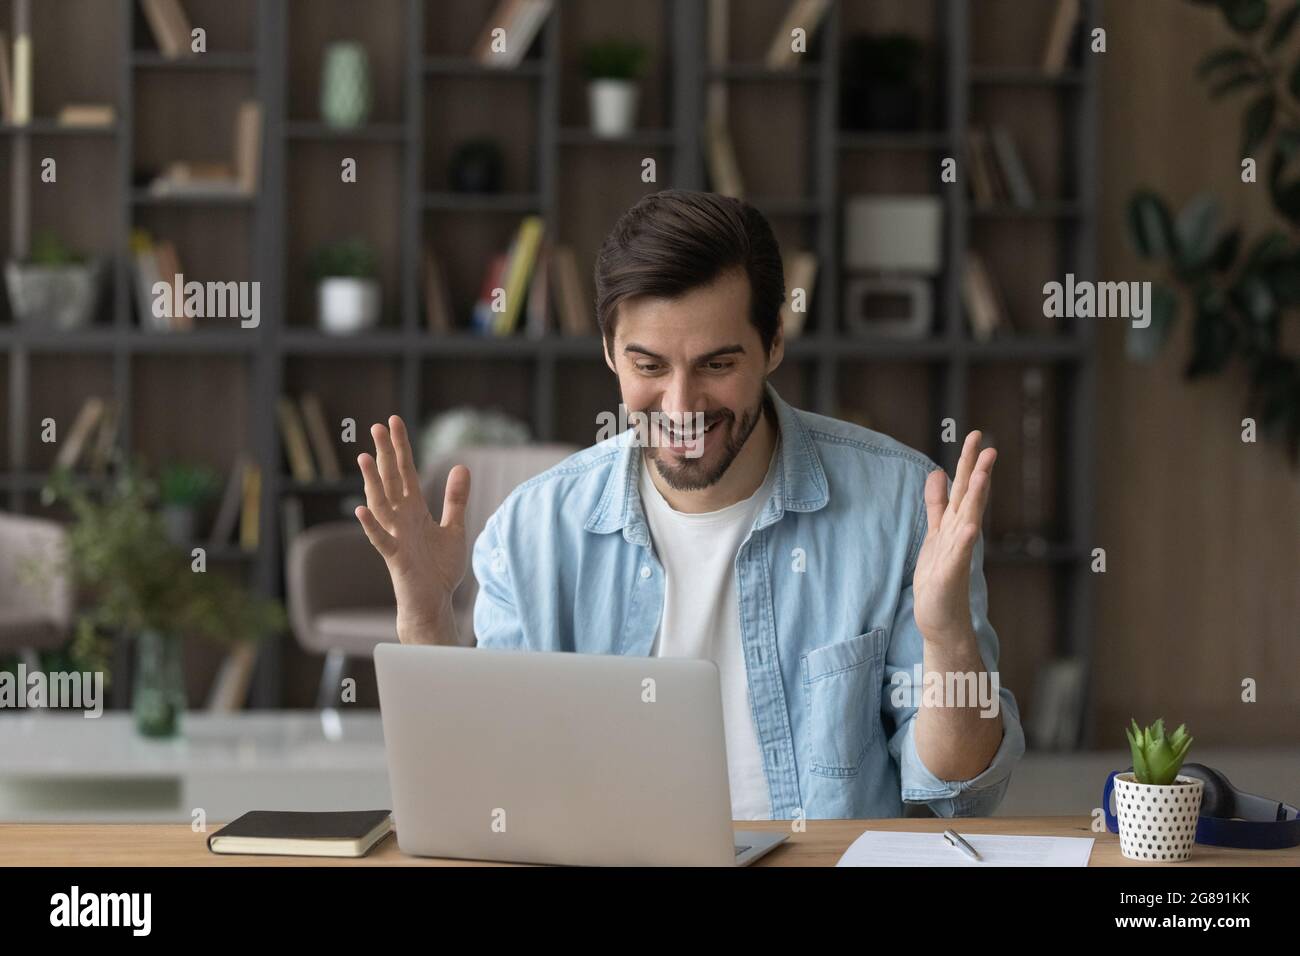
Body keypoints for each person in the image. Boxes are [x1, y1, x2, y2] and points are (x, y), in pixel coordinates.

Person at [354, 189, 1024, 820]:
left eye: (716, 365)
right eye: (649, 367)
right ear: (611, 354)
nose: (680, 407)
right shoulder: (533, 533)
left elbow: (960, 793)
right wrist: (424, 613)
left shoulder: (903, 508)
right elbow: (481, 795)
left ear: (774, 345)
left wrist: (948, 637)